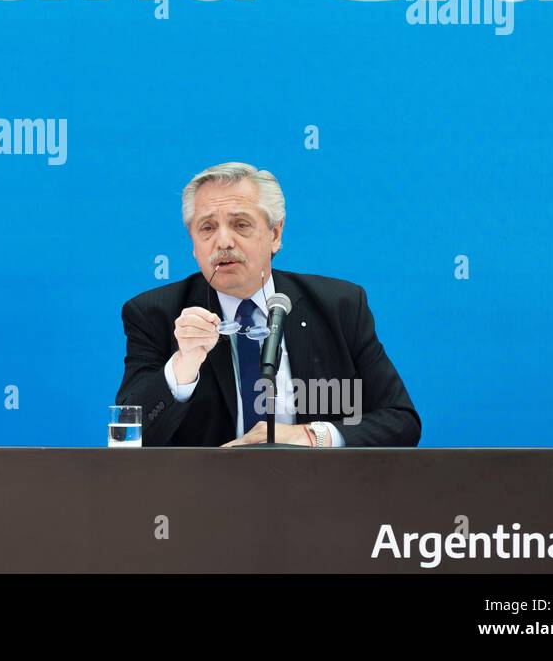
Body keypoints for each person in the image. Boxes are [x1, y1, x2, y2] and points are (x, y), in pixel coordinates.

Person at [116, 162, 419, 447]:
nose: (223, 242)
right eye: (207, 228)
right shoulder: (156, 313)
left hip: (316, 492)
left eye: (241, 224)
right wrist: (183, 366)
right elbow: (127, 438)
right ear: (193, 243)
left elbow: (400, 421)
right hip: (204, 497)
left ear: (275, 234)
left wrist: (311, 436)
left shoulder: (339, 306)